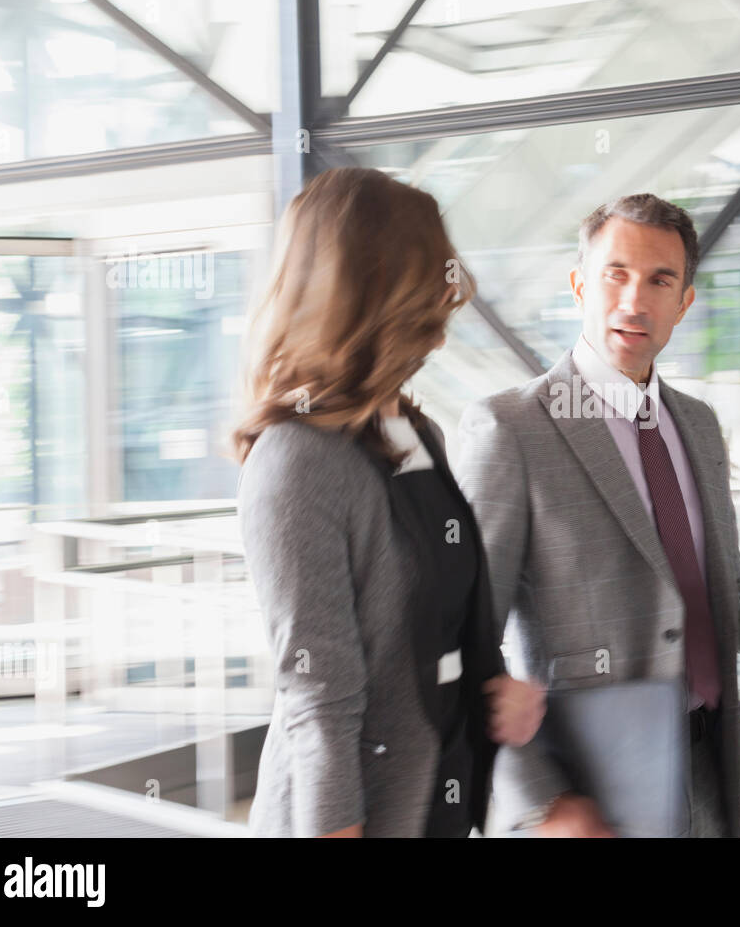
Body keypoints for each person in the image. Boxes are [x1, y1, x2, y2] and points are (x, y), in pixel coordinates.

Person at [457, 193, 740, 838]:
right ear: (580, 283)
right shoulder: (511, 430)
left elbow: (721, 594)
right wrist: (543, 804)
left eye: (660, 280)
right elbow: (466, 642)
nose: (634, 300)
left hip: (708, 770)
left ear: (684, 302)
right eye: (616, 273)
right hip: (586, 793)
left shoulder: (697, 426)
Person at [233, 167, 545, 838]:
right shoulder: (294, 462)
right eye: (430, 276)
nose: (445, 302)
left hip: (437, 805)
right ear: (376, 293)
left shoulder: (411, 429)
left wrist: (493, 689)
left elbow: (441, 614)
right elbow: (320, 699)